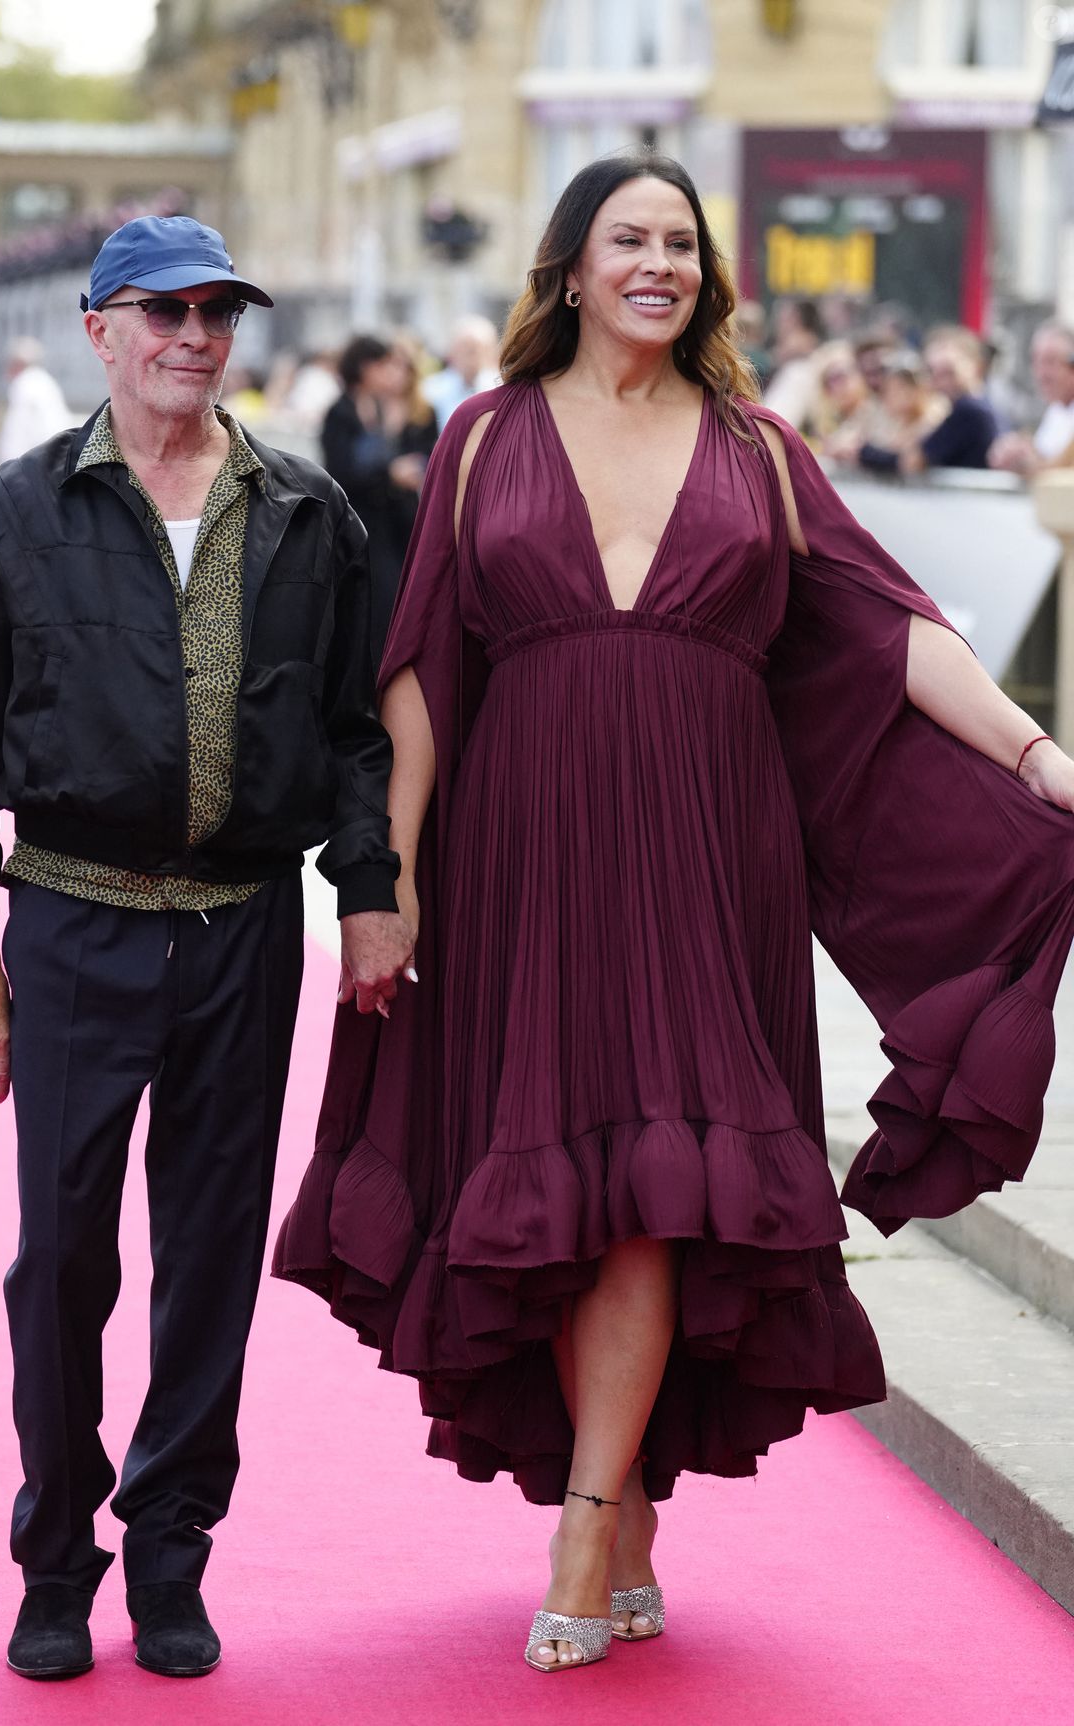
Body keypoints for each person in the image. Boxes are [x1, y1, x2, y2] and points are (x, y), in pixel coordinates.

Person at [274, 152, 1074, 1676]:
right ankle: (621, 1498)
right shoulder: (483, 438)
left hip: (713, 865)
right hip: (524, 859)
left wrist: (1038, 753)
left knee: (657, 1176)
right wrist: (392, 879)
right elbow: (426, 669)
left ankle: (587, 1518)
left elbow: (891, 631)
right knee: (566, 1190)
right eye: (629, 239)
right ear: (568, 268)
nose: (661, 263)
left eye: (682, 244)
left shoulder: (761, 448)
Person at [0, 215, 412, 1683]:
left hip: (244, 934)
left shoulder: (312, 511)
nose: (196, 335)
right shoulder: (10, 513)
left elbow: (349, 732)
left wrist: (371, 886)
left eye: (219, 312)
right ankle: (55, 1558)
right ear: (100, 330)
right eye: (166, 311)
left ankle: (173, 1552)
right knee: (60, 1262)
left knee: (208, 1261)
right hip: (69, 925)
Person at [321, 334, 438, 660]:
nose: (390, 372)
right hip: (358, 523)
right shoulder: (342, 411)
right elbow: (340, 470)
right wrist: (389, 474)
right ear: (365, 367)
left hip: (393, 523)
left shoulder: (384, 408)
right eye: (383, 364)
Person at [866, 326, 1002, 474]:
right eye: (933, 372)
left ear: (976, 366)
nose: (941, 382)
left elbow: (912, 462)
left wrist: (864, 452)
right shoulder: (973, 408)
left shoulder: (969, 410)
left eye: (949, 372)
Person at [989, 320, 1074, 477]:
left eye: (1051, 362)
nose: (1042, 373)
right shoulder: (1057, 410)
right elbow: (1045, 457)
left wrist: (1023, 463)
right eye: (1036, 361)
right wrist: (1018, 449)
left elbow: (1060, 471)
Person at [0, 336, 73, 462]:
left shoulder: (25, 384)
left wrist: (7, 466)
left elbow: (18, 431)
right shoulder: (45, 381)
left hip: (34, 460)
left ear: (17, 364)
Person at [421, 313, 500, 427]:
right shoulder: (430, 390)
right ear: (452, 351)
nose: (473, 358)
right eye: (466, 349)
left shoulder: (501, 387)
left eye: (478, 350)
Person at [761, 296, 825, 430]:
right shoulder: (781, 354)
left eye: (784, 316)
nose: (778, 321)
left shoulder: (800, 370)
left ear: (795, 319)